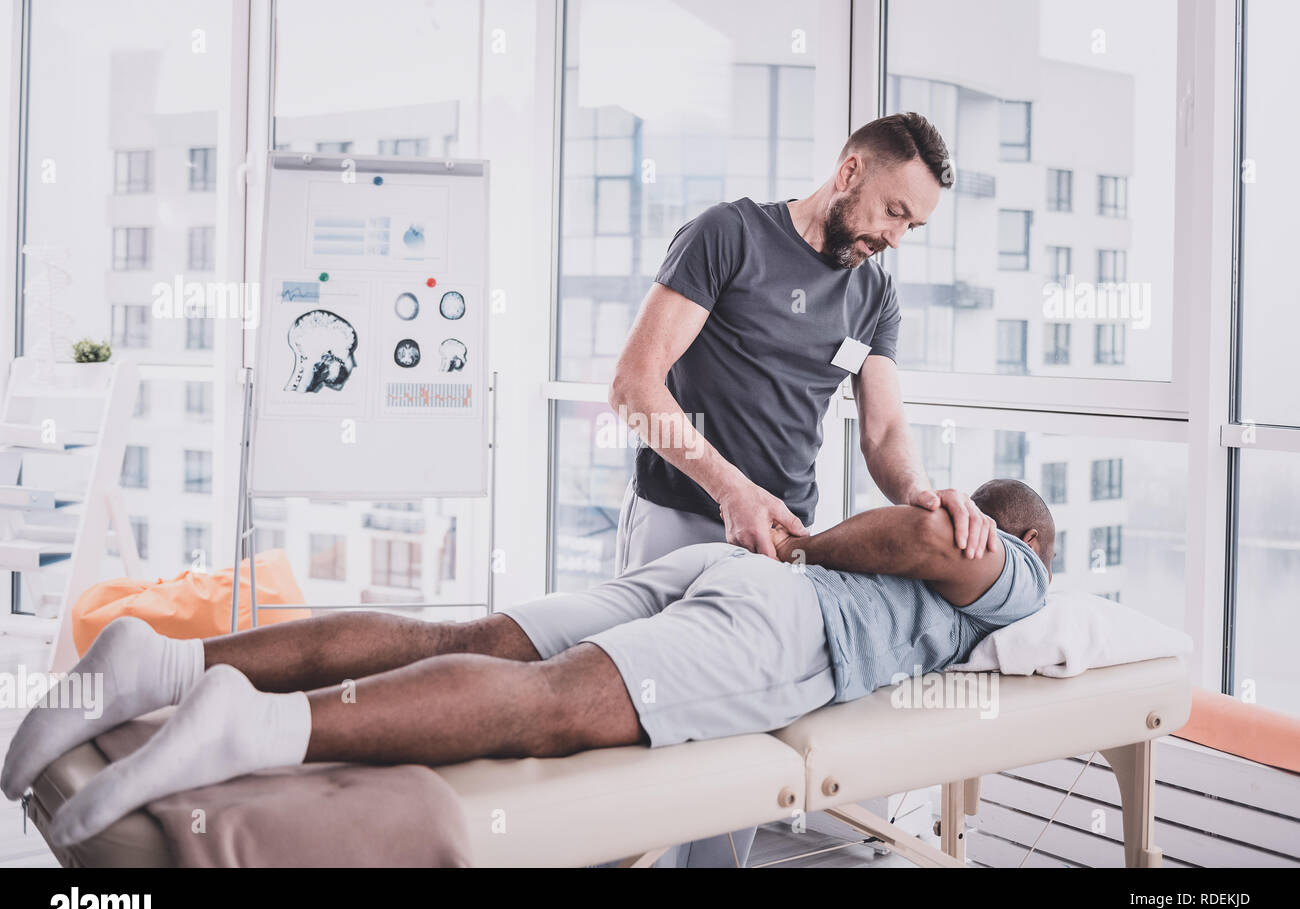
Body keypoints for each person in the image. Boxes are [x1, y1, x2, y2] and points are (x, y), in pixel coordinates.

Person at [1, 480, 1053, 851]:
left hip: (712, 569)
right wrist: (819, 546)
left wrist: (804, 541)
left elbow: (911, 535)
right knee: (549, 706)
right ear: (1023, 543)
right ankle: (259, 729)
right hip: (785, 626)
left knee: (449, 637)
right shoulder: (1018, 572)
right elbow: (926, 542)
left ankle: (164, 666)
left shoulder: (943, 547)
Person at [607, 111, 997, 864]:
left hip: (779, 548)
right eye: (893, 212)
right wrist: (731, 488)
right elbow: (633, 386)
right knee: (652, 730)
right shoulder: (728, 236)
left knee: (744, 752)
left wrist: (920, 492)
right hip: (679, 519)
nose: (895, 237)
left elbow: (882, 435)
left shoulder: (873, 293)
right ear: (849, 171)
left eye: (913, 225)